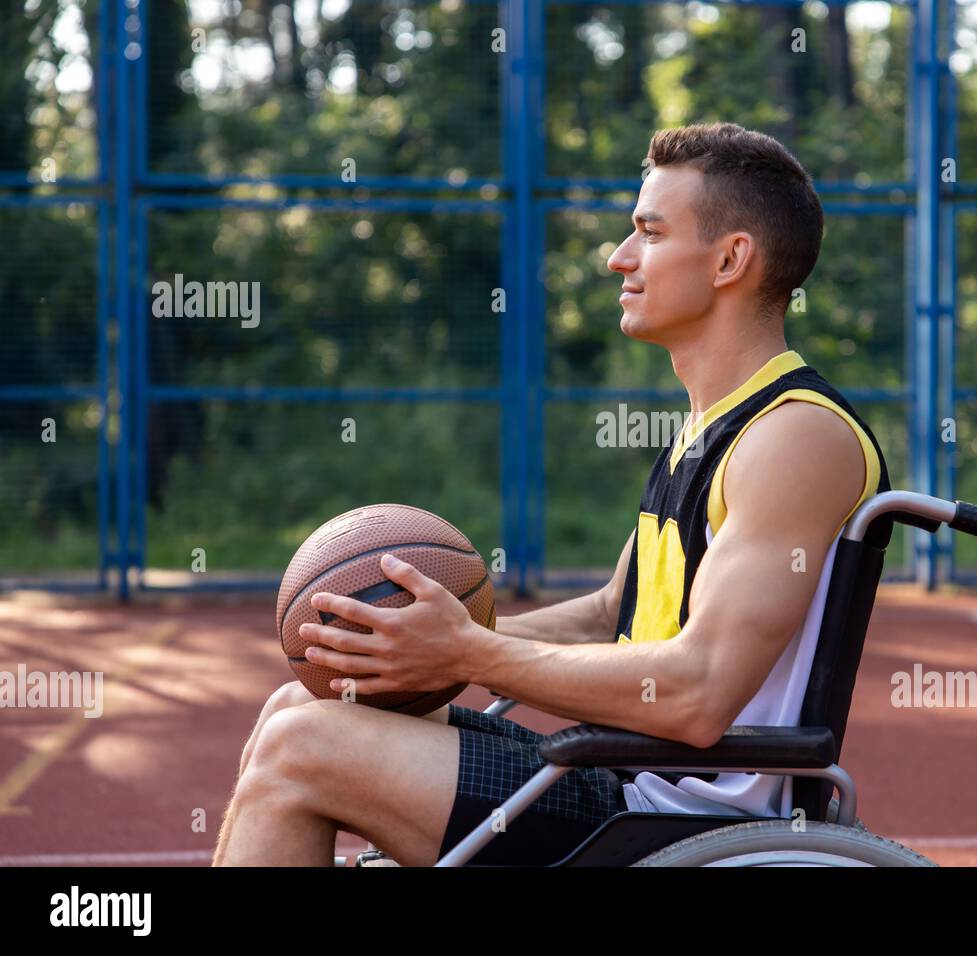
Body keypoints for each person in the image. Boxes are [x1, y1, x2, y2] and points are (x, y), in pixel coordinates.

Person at [213, 121, 888, 866]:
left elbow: (698, 692)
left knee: (304, 747)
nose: (618, 257)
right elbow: (611, 616)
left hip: (676, 816)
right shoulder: (711, 428)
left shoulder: (793, 436)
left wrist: (469, 651)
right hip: (624, 775)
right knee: (302, 707)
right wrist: (422, 641)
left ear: (731, 260)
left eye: (649, 234)